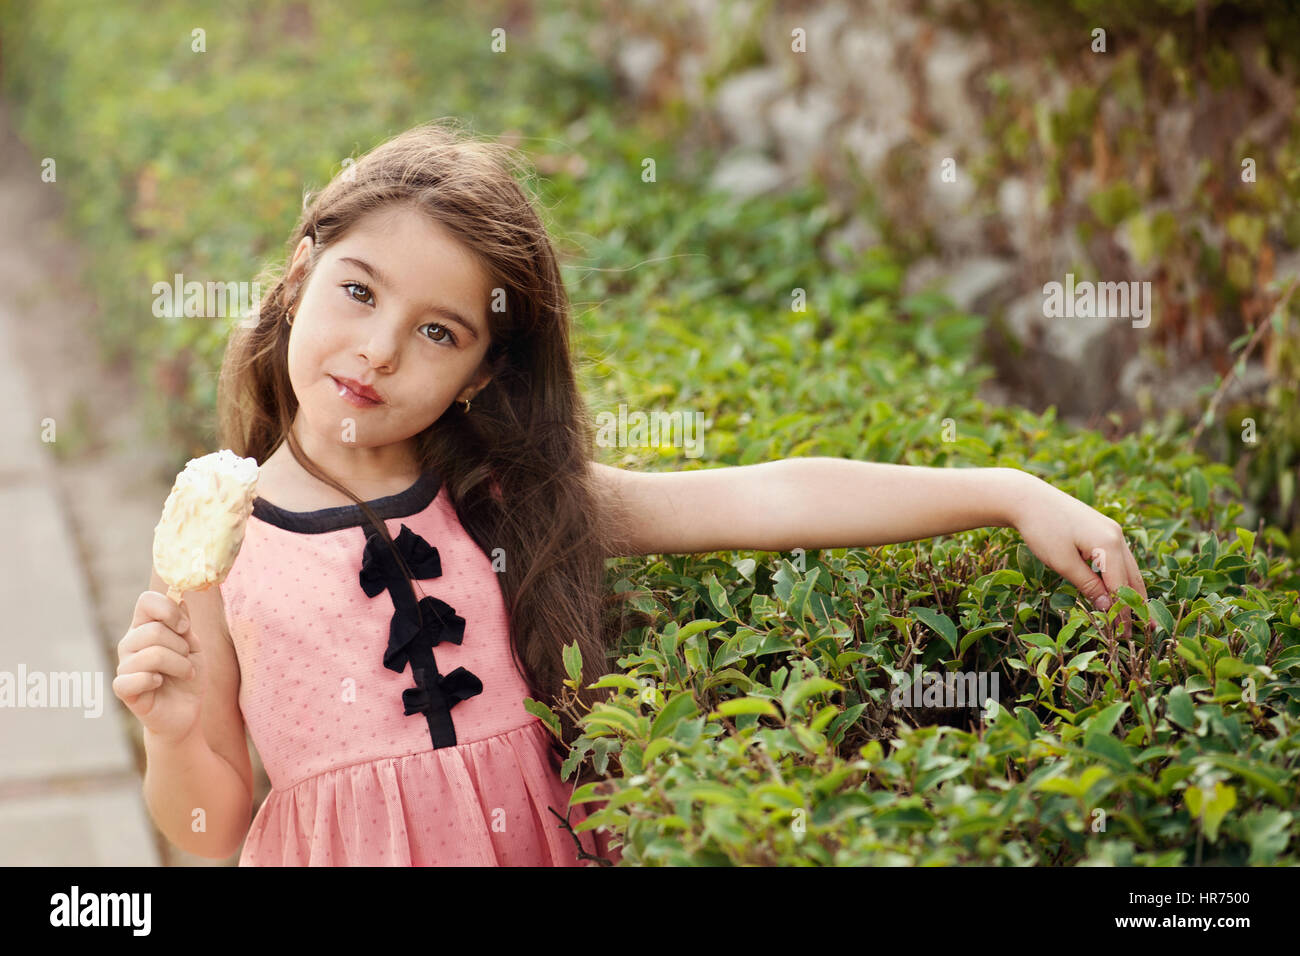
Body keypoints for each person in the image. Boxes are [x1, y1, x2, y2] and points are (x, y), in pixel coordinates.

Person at [112, 118, 1147, 867]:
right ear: (300, 276)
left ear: (478, 372)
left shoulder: (503, 494)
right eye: (358, 289)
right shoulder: (220, 533)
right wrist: (166, 726)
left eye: (439, 330)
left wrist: (1007, 490)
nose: (378, 349)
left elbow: (767, 499)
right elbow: (208, 827)